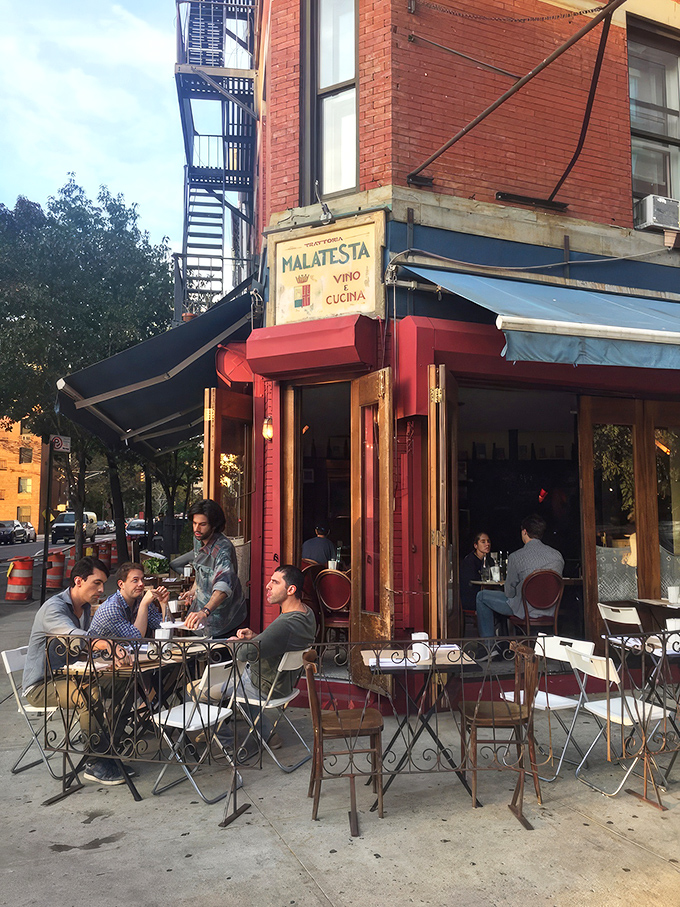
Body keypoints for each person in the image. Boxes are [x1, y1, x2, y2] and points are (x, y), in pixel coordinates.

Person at [22, 557, 130, 786]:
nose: (101, 590)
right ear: (78, 581)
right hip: (41, 685)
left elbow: (80, 651)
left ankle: (109, 750)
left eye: (103, 584)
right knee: (88, 694)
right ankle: (94, 761)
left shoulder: (85, 608)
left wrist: (106, 658)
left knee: (126, 682)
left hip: (71, 676)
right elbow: (73, 636)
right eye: (96, 583)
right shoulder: (54, 608)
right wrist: (107, 645)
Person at [199, 565, 316, 748]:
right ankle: (268, 734)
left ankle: (225, 745)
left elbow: (246, 654)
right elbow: (279, 642)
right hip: (283, 684)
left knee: (200, 692)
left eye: (275, 582)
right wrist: (255, 638)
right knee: (237, 685)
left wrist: (234, 644)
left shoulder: (286, 623)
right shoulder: (307, 614)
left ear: (291, 589)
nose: (268, 586)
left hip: (262, 686)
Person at [475, 514, 564, 654]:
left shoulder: (516, 557)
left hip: (525, 609)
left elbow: (509, 592)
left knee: (481, 596)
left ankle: (489, 647)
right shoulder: (557, 555)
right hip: (550, 609)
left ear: (524, 532)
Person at [182, 499, 247, 637]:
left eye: (202, 524)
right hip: (201, 619)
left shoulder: (223, 549)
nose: (196, 529)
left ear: (214, 526)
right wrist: (194, 591)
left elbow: (223, 587)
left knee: (220, 657)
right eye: (194, 523)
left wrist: (205, 611)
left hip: (224, 620)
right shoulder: (198, 539)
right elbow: (201, 571)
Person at [90, 562, 168, 639]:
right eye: (135, 580)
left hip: (128, 650)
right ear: (121, 584)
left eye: (142, 579)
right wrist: (144, 605)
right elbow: (135, 640)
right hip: (104, 651)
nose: (141, 584)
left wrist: (163, 603)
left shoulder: (140, 600)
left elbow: (163, 626)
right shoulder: (111, 608)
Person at [459, 532, 494, 612]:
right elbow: (470, 583)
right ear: (475, 545)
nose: (487, 544)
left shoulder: (489, 560)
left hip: (485, 594)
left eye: (488, 541)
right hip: (472, 597)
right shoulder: (469, 561)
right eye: (483, 542)